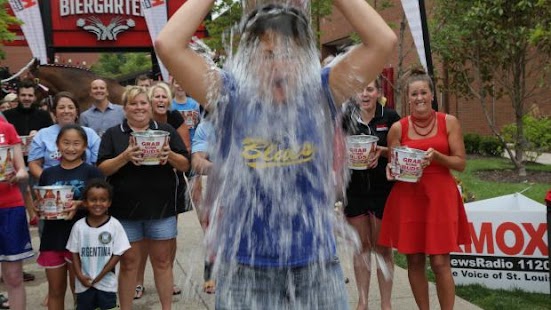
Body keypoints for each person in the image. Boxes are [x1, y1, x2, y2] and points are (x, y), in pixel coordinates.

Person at [156, 1, 396, 308]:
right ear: (250, 58)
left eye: (289, 54)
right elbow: (168, 44)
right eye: (267, 55)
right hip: (245, 270)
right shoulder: (230, 96)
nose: (279, 66)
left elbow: (383, 41)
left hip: (316, 267)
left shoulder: (323, 91)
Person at [378, 68, 472, 310]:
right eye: (414, 94)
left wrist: (439, 158)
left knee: (441, 262)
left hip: (440, 196)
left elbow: (460, 163)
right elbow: (394, 166)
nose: (419, 97)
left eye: (423, 92)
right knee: (415, 260)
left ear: (432, 95)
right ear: (407, 98)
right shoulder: (398, 128)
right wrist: (392, 169)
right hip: (410, 197)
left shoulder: (449, 122)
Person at [97, 86, 189, 310]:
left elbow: (185, 164)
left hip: (161, 208)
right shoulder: (113, 134)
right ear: (125, 108)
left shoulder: (165, 130)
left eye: (142, 103)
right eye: (133, 104)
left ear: (149, 106)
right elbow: (102, 169)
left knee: (162, 261)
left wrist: (170, 156)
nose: (139, 108)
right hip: (125, 210)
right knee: (129, 264)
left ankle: (167, 308)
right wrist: (125, 157)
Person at [341, 79, 400, 310]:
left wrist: (382, 152)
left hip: (382, 190)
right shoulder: (346, 117)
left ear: (378, 93)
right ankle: (363, 300)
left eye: (370, 89)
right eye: (360, 89)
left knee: (383, 248)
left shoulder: (390, 117)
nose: (364, 94)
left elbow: (399, 151)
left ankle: (386, 304)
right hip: (354, 190)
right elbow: (335, 148)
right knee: (361, 247)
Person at [130, 82, 190, 299]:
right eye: (156, 97)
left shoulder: (174, 120)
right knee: (144, 236)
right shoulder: (139, 121)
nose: (161, 101)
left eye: (164, 97)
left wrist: (172, 158)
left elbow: (186, 149)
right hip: (142, 183)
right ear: (149, 101)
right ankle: (137, 281)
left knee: (168, 234)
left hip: (169, 181)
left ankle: (168, 276)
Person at [36, 124, 104, 310]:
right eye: (66, 143)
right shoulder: (48, 174)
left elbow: (102, 204)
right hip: (52, 238)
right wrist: (40, 208)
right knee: (55, 291)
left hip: (81, 239)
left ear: (84, 146)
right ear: (57, 145)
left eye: (76, 143)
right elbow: (41, 202)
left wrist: (79, 204)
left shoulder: (93, 172)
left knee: (80, 291)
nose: (71, 148)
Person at [66, 179, 131, 310]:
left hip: (106, 284)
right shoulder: (79, 227)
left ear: (109, 203)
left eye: (103, 200)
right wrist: (79, 275)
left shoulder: (114, 225)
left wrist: (99, 276)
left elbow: (117, 254)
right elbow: (74, 253)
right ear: (85, 202)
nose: (98, 204)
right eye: (93, 199)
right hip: (83, 285)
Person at [4, 79, 53, 232]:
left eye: (30, 95)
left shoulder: (44, 116)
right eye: (23, 95)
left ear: (34, 97)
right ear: (18, 96)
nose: (26, 98)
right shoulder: (7, 115)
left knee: (39, 202)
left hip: (37, 164)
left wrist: (40, 135)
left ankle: (41, 232)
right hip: (12, 167)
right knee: (15, 205)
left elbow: (53, 138)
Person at [0, 119, 34, 310]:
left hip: (9, 206)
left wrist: (19, 174)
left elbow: (22, 169)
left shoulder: (6, 128)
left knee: (13, 276)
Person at [28, 92, 101, 179]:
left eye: (70, 107)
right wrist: (48, 181)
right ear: (55, 112)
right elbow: (34, 164)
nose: (66, 111)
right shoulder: (42, 134)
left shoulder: (90, 134)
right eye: (61, 108)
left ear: (76, 111)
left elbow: (98, 163)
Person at [190, 118, 215, 294]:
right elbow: (197, 160)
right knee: (212, 234)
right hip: (219, 185)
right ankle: (210, 275)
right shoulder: (206, 126)